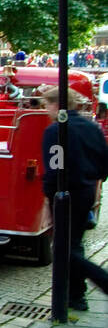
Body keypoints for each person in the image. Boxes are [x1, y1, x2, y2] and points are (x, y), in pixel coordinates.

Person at [38, 84, 108, 311]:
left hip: (65, 194)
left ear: (57, 105)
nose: (45, 110)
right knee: (74, 244)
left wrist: (49, 201)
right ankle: (77, 296)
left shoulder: (55, 130)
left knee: (63, 248)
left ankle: (100, 282)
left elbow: (54, 170)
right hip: (87, 190)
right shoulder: (91, 127)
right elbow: (103, 163)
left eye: (46, 105)